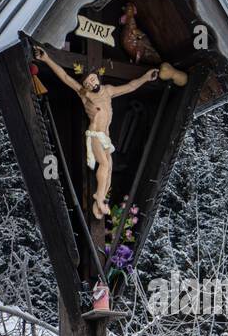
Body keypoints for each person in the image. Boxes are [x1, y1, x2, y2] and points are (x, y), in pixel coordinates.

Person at [33, 47, 161, 218]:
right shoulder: (85, 95)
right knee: (105, 165)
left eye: (92, 79)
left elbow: (130, 86)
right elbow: (65, 77)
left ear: (97, 78)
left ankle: (102, 198)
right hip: (95, 134)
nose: (91, 84)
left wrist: (146, 77)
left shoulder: (108, 91)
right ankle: (99, 197)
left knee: (109, 168)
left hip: (106, 136)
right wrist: (47, 59)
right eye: (87, 83)